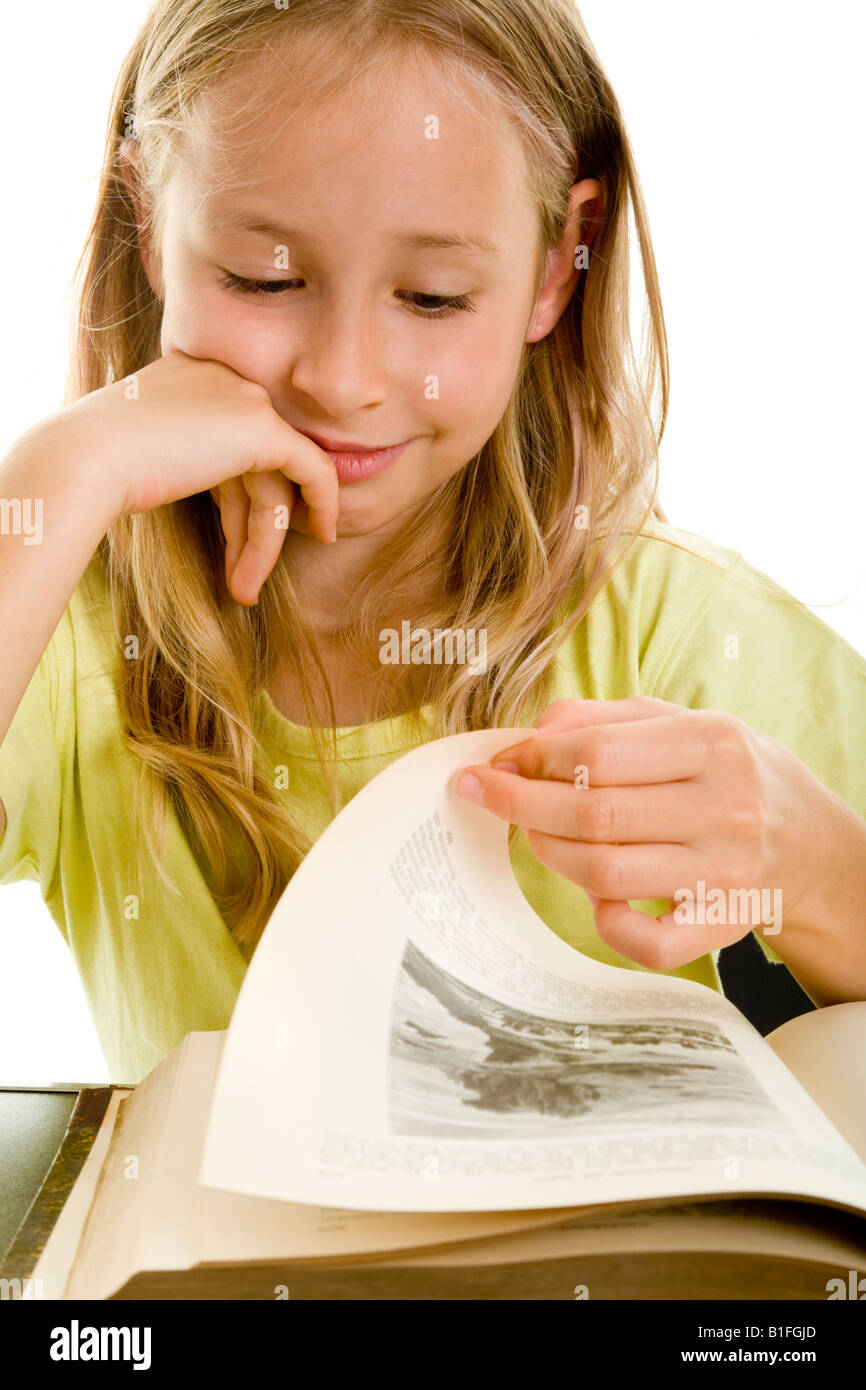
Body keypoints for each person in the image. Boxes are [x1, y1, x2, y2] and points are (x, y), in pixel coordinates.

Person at [1, 0, 864, 1085]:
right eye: (263, 279)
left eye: (431, 295)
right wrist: (54, 475)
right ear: (148, 225)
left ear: (557, 268)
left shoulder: (672, 628)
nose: (344, 376)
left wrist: (820, 869)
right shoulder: (73, 632)